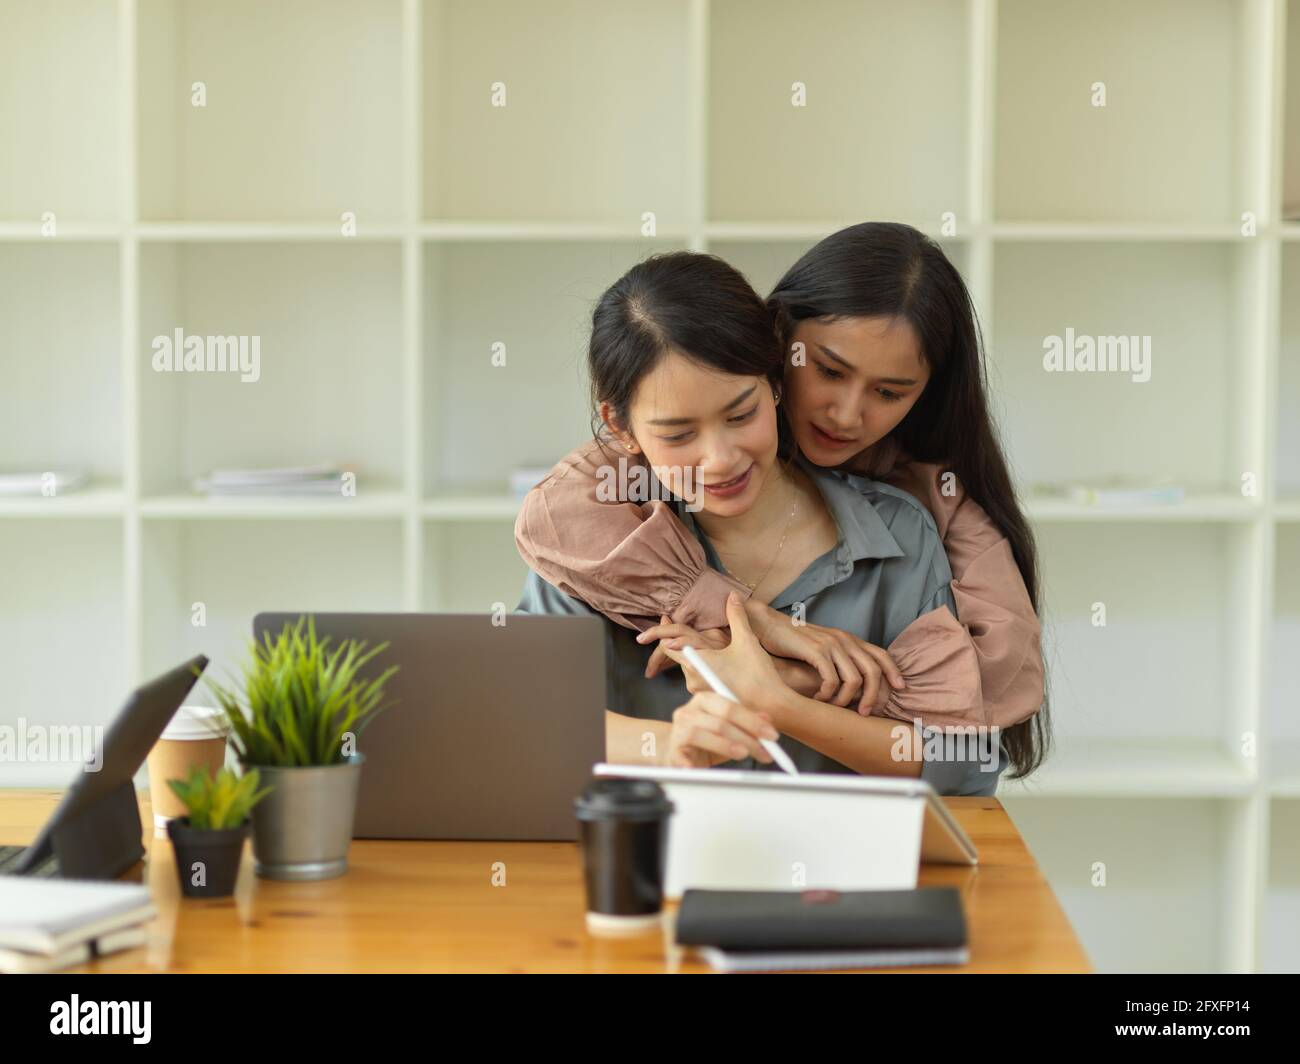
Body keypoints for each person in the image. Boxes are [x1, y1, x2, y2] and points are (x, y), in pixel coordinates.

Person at [517, 222, 1048, 780]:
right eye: (677, 433)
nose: (719, 458)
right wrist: (672, 742)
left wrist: (780, 701)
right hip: (649, 856)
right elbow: (520, 720)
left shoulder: (907, 530)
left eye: (741, 414)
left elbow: (968, 762)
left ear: (770, 381)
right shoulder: (601, 534)